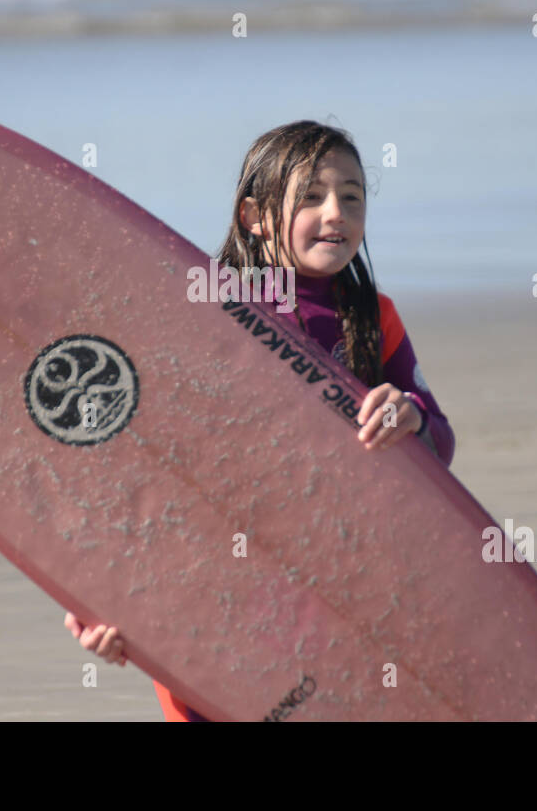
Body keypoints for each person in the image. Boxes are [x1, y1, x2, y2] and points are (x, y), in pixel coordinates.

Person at [65, 120, 456, 721]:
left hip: (337, 584)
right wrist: (98, 593)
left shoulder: (374, 318)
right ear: (255, 216)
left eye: (352, 196)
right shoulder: (205, 310)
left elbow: (441, 442)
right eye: (311, 196)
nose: (337, 213)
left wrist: (411, 415)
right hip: (208, 580)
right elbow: (137, 460)